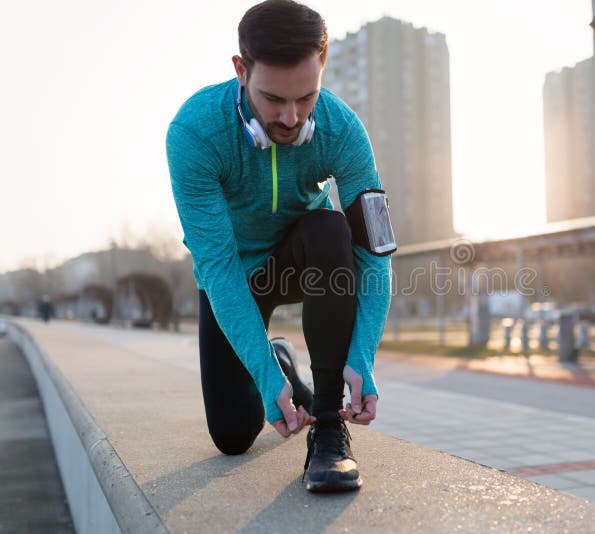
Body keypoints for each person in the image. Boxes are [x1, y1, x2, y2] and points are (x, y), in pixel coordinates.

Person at [166, 0, 392, 492]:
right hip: (233, 277)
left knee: (331, 229)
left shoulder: (343, 130)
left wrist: (363, 355)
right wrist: (268, 377)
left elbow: (374, 253)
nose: (291, 119)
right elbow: (219, 268)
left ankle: (329, 430)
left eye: (306, 98)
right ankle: (280, 358)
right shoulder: (194, 133)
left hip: (299, 258)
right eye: (273, 100)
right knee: (231, 435)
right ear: (240, 70)